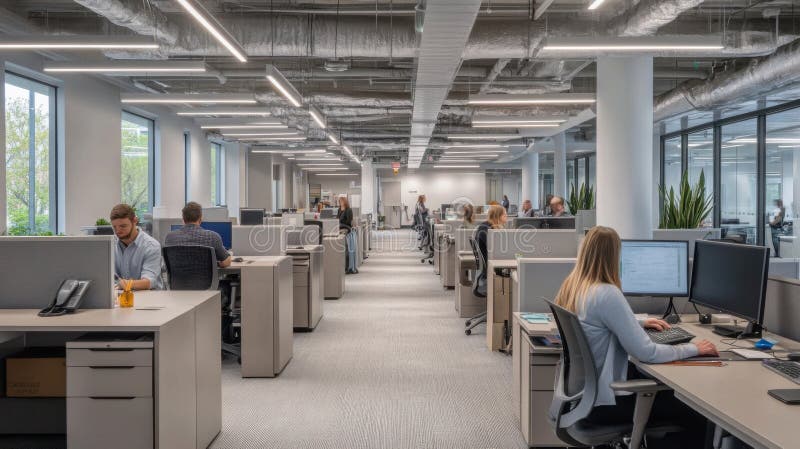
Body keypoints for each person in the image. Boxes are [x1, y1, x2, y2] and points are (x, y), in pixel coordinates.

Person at [554, 226, 717, 445]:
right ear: (614, 256)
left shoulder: (574, 286)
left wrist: (636, 322)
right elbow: (646, 352)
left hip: (583, 399)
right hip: (604, 404)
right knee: (698, 410)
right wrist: (694, 349)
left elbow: (594, 322)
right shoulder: (606, 293)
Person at [110, 203, 163, 290]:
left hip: (149, 297)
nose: (118, 231)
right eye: (114, 227)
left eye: (123, 226)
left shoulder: (151, 246)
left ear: (135, 221)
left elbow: (148, 282)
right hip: (122, 297)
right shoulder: (112, 244)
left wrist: (125, 284)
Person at [164, 201, 232, 268]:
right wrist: (215, 264)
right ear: (200, 219)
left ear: (183, 219)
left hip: (177, 279)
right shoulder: (213, 237)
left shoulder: (170, 237)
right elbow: (226, 262)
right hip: (205, 279)